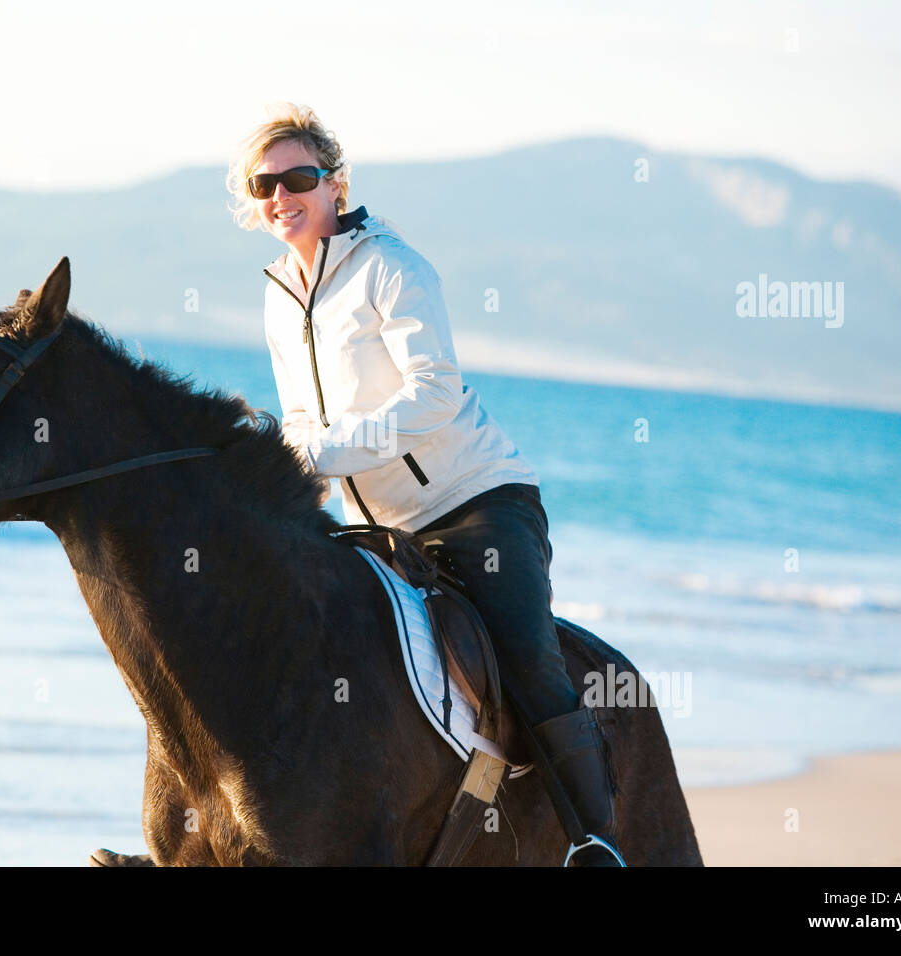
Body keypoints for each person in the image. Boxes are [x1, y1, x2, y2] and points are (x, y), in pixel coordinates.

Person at [225, 103, 624, 866]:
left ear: (335, 183)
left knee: (525, 654)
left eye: (299, 177)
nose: (282, 195)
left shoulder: (391, 267)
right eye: (265, 184)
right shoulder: (279, 292)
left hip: (474, 503)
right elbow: (306, 424)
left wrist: (324, 453)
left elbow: (433, 392)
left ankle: (595, 842)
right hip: (375, 525)